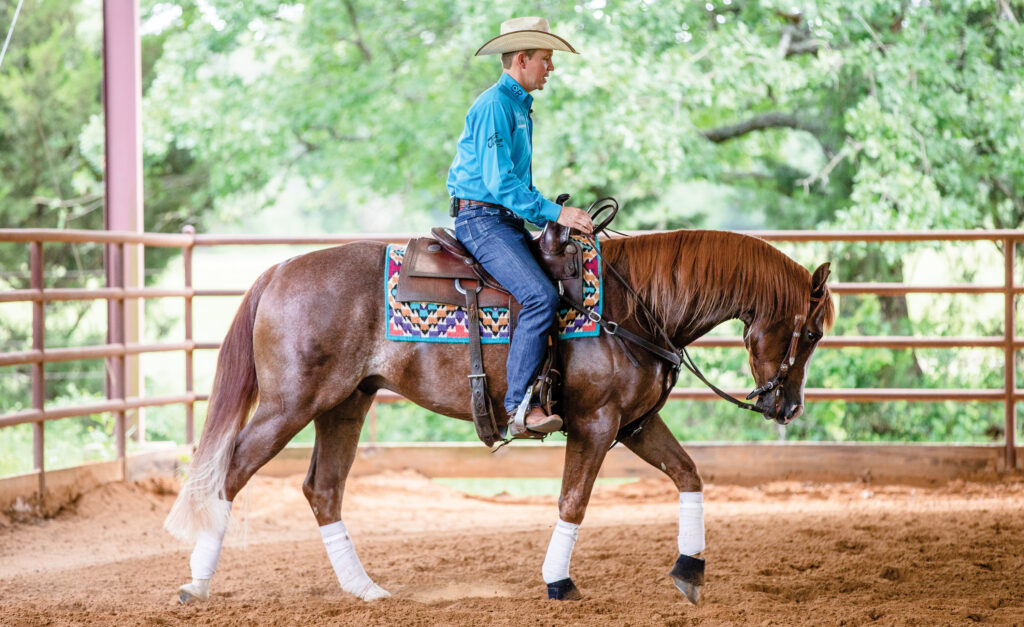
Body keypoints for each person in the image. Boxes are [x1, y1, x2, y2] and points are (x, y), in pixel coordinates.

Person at [447, 16, 593, 435]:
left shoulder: (517, 107)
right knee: (539, 297)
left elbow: (509, 183)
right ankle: (517, 405)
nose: (552, 68)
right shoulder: (495, 106)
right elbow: (498, 183)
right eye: (546, 59)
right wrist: (555, 212)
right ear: (522, 59)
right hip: (482, 220)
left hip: (501, 218)